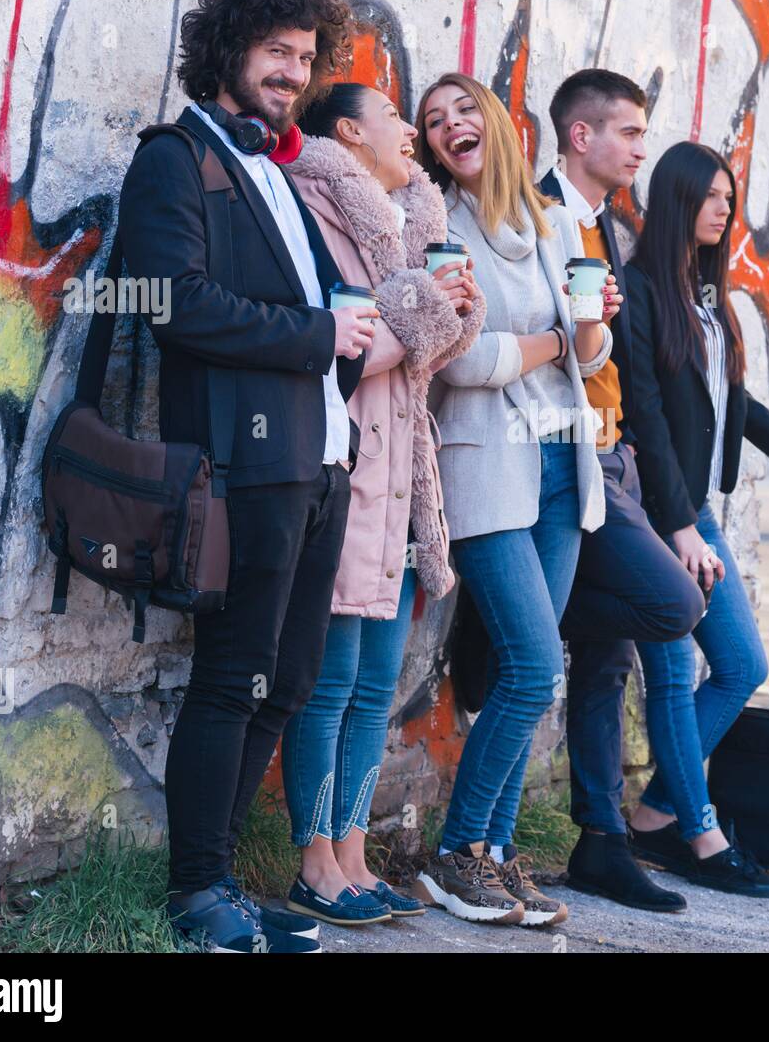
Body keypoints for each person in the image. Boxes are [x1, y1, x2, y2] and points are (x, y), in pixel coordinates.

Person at [117, 0, 377, 952]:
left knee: (289, 680)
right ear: (228, 52)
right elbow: (170, 299)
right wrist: (316, 335)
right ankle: (194, 893)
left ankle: (222, 878)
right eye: (276, 52)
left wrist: (343, 342)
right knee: (233, 677)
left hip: (320, 462)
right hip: (244, 462)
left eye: (305, 58)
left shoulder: (275, 166)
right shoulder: (176, 158)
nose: (291, 71)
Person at [410, 72, 622, 927]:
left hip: (564, 469)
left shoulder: (551, 221)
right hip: (487, 471)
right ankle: (457, 855)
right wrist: (551, 341)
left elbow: (590, 353)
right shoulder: (441, 229)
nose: (451, 125)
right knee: (535, 667)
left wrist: (597, 321)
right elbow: (460, 360)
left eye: (464, 110)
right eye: (433, 122)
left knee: (532, 674)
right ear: (432, 149)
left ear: (495, 123)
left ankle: (495, 855)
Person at [621, 140, 769, 897]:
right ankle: (700, 832)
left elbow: (722, 397)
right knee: (671, 674)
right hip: (661, 519)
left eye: (730, 196)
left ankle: (655, 815)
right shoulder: (643, 291)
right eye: (715, 197)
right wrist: (677, 522)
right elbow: (647, 418)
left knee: (740, 667)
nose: (727, 209)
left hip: (699, 514)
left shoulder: (706, 294)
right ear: (680, 200)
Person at [279, 82, 486, 927]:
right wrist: (431, 313)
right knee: (327, 688)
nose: (411, 131)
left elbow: (415, 356)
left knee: (374, 690)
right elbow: (341, 358)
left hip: (404, 482)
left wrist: (455, 313)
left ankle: (354, 854)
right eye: (394, 116)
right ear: (347, 133)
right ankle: (313, 863)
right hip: (347, 471)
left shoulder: (413, 222)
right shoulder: (315, 213)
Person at [541, 70, 706, 912]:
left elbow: (634, 381)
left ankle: (600, 842)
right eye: (630, 133)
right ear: (581, 136)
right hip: (561, 462)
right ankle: (552, 612)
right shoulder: (535, 218)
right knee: (672, 607)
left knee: (604, 667)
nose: (643, 147)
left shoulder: (612, 228)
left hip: (619, 463)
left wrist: (668, 505)